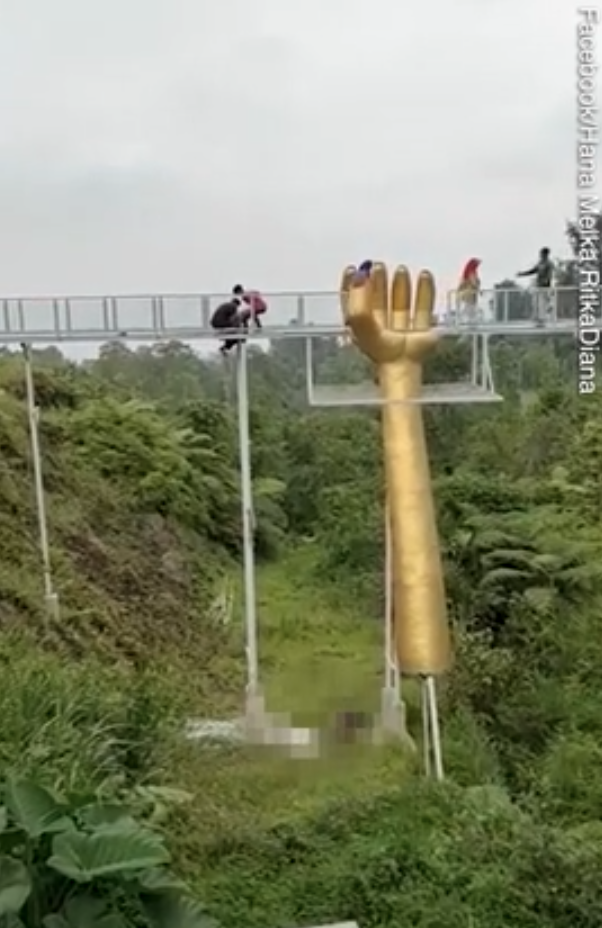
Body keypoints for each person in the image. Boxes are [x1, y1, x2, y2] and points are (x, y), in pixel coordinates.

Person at [517, 247, 554, 324]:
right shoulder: (540, 263)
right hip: (539, 285)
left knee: (543, 303)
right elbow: (532, 271)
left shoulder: (549, 263)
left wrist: (546, 281)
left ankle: (544, 317)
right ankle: (538, 317)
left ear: (546, 254)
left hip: (545, 286)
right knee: (536, 302)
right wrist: (522, 274)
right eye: (540, 254)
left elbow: (550, 275)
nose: (540, 255)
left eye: (542, 254)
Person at [456, 257, 481, 323]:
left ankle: (466, 319)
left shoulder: (467, 271)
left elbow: (462, 283)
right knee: (471, 307)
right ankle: (469, 321)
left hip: (468, 292)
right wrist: (478, 289)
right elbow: (473, 282)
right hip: (470, 292)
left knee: (468, 306)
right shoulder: (471, 271)